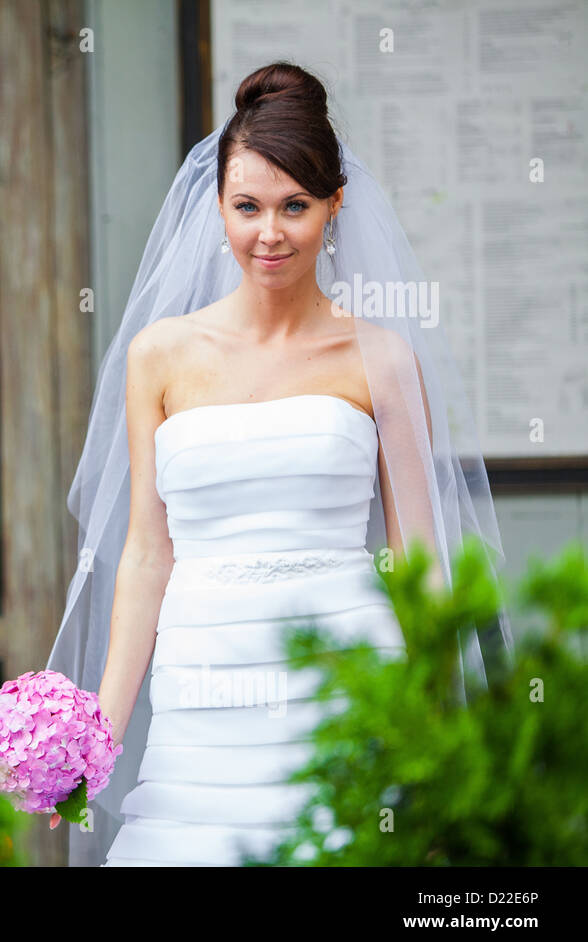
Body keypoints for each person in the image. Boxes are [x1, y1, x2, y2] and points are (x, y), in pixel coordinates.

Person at [44, 61, 514, 866]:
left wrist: (437, 731)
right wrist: (99, 737)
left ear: (334, 206)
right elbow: (147, 555)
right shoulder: (159, 355)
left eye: (296, 206)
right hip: (200, 692)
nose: (270, 233)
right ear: (216, 207)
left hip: (346, 671)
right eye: (247, 207)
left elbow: (420, 559)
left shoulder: (382, 357)